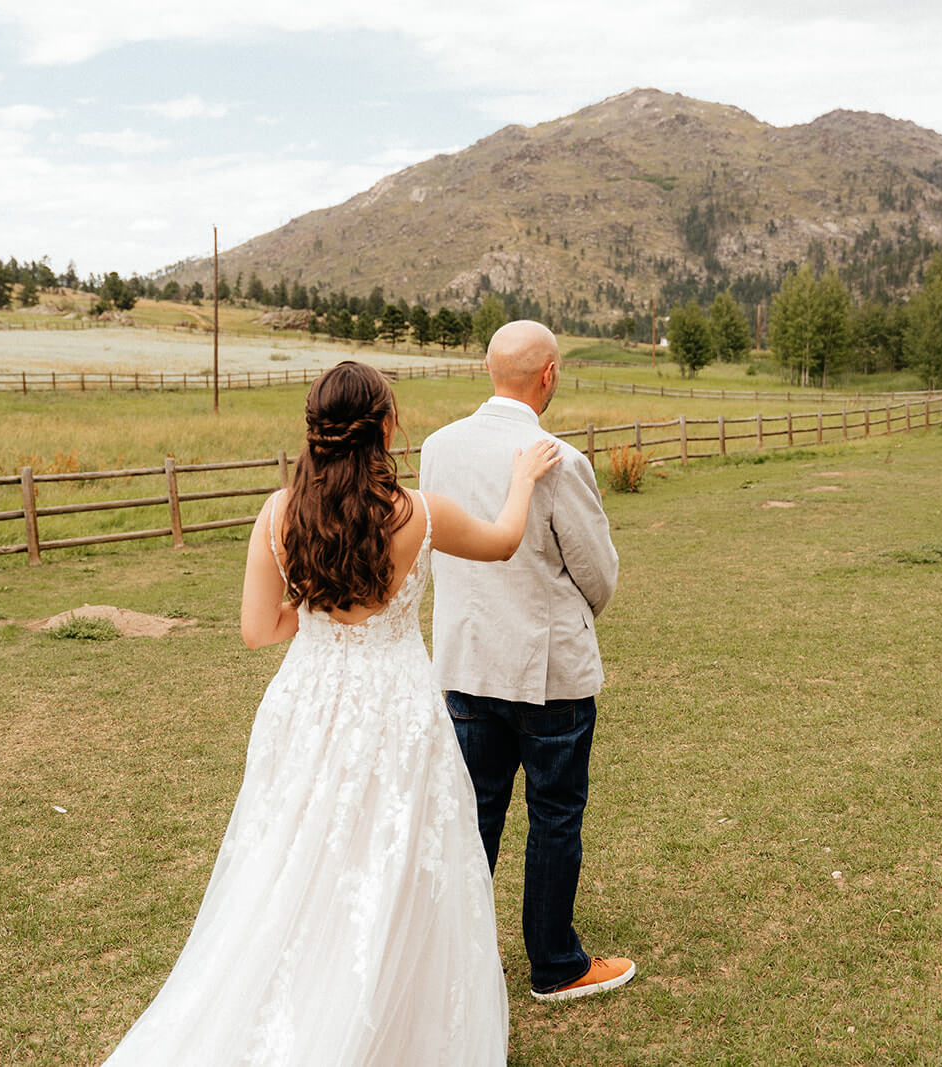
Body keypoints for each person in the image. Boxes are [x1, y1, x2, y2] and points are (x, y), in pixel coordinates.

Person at [102, 360, 561, 1066]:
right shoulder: (418, 512)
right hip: (393, 703)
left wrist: (314, 605)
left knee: (295, 854)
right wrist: (524, 478)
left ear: (315, 430)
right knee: (396, 858)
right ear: (384, 425)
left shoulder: (279, 513)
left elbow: (259, 629)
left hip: (308, 701)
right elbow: (503, 540)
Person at [419, 319, 634, 1003]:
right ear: (548, 375)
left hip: (464, 661)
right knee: (554, 811)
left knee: (474, 814)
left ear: (492, 371)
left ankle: (457, 962)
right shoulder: (557, 457)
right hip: (547, 671)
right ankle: (554, 962)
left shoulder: (438, 447)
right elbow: (598, 573)